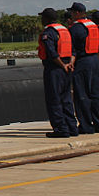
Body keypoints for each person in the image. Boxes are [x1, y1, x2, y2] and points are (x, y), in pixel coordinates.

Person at [38, 7, 77, 137]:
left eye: (43, 17)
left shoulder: (48, 33)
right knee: (66, 99)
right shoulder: (65, 30)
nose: (42, 20)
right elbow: (73, 50)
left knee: (54, 99)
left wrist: (62, 65)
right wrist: (70, 63)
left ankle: (61, 129)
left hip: (55, 69)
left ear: (47, 19)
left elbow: (52, 53)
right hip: (67, 68)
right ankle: (72, 127)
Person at [68, 2, 99, 133]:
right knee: (95, 93)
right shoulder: (93, 26)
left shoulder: (75, 28)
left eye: (72, 12)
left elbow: (72, 48)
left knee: (81, 94)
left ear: (77, 13)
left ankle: (86, 125)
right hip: (95, 60)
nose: (71, 15)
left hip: (83, 61)